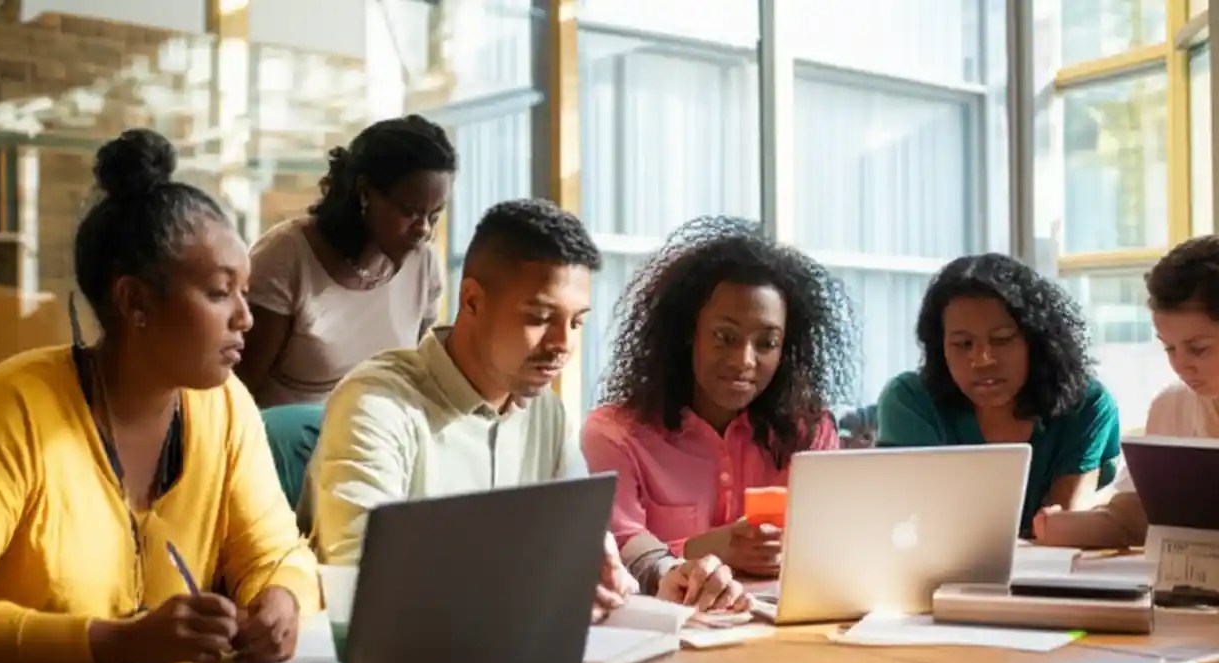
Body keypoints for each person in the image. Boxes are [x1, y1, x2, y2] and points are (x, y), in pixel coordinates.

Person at [0, 129, 319, 663]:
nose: (245, 317)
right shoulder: (16, 409)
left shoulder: (224, 409)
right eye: (221, 293)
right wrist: (111, 643)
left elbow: (279, 556)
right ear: (135, 301)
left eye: (245, 291)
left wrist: (281, 600)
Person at [307, 199, 748, 614]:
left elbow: (585, 545)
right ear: (473, 301)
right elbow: (360, 575)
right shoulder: (377, 404)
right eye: (539, 318)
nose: (562, 345)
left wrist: (658, 577)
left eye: (576, 322)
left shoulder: (546, 415)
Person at [582, 217, 858, 580]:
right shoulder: (615, 434)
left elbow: (834, 541)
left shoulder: (811, 432)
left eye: (766, 344)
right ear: (687, 334)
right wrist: (715, 548)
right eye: (725, 337)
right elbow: (622, 548)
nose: (744, 361)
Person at [877, 253, 1121, 537]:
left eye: (1002, 340)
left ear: (1036, 340)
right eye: (963, 344)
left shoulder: (1086, 404)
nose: (982, 359)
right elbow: (920, 527)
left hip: (1046, 577)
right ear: (940, 348)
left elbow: (1062, 524)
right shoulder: (910, 401)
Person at [236, 114, 457, 408]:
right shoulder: (286, 259)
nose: (424, 229)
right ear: (365, 193)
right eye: (410, 211)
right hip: (289, 445)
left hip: (381, 439)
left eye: (434, 215)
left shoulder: (423, 263)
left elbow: (419, 376)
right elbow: (238, 394)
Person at [1034, 235, 1219, 548]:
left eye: (1198, 349)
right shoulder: (1173, 406)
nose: (1181, 365)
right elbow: (1134, 521)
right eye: (1169, 347)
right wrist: (1061, 527)